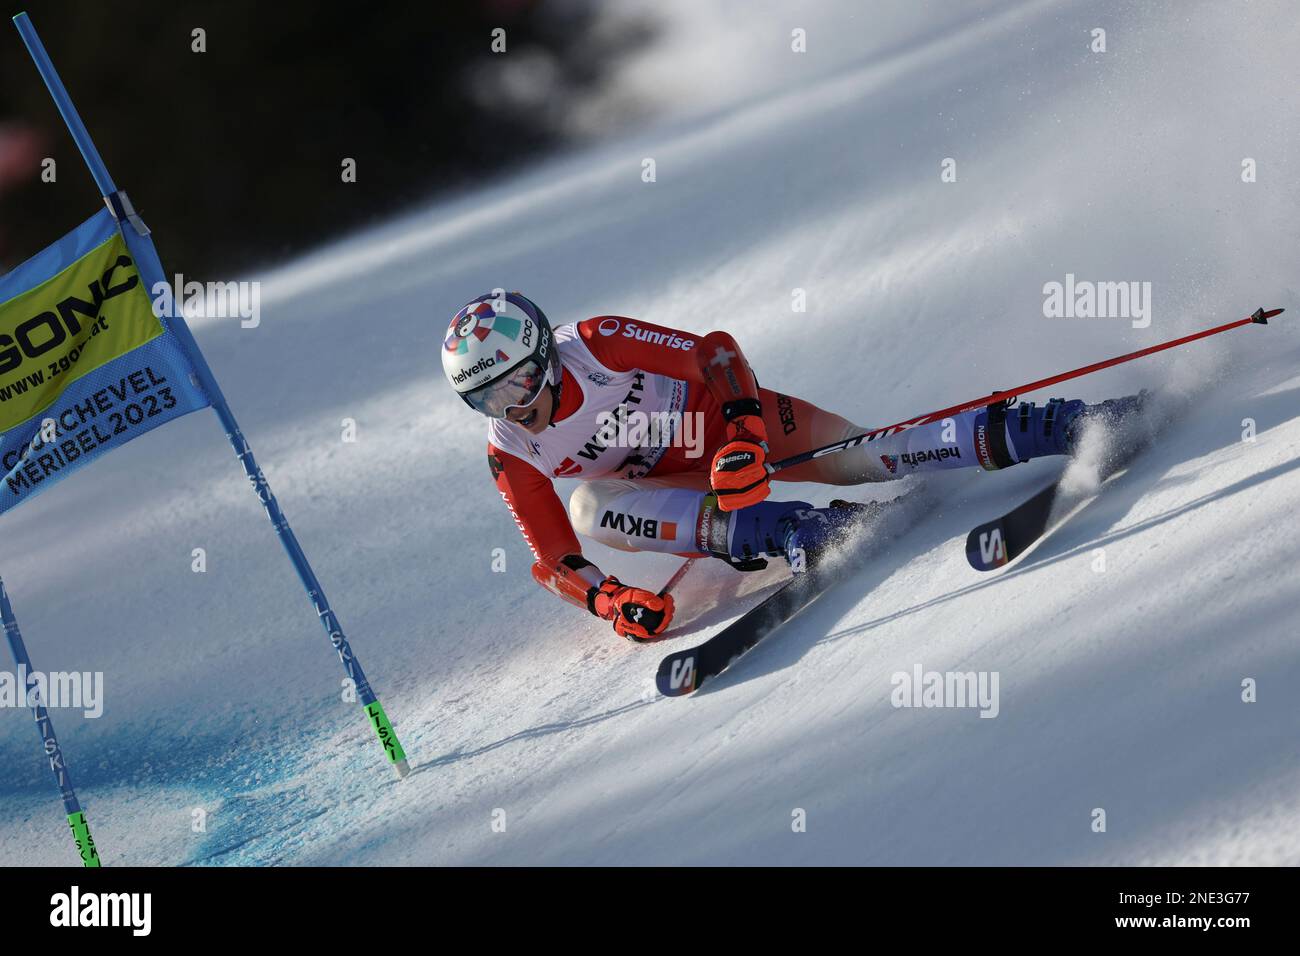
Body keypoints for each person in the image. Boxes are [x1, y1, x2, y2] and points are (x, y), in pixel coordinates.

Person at [442, 291, 1140, 642]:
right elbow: (553, 559)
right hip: (684, 487)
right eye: (485, 399)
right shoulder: (511, 447)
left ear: (542, 356)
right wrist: (607, 601)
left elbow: (713, 353)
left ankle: (1050, 423)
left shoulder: (597, 344)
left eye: (515, 383)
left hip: (726, 423)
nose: (511, 406)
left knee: (869, 455)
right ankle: (792, 532)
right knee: (589, 507)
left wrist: (744, 433)